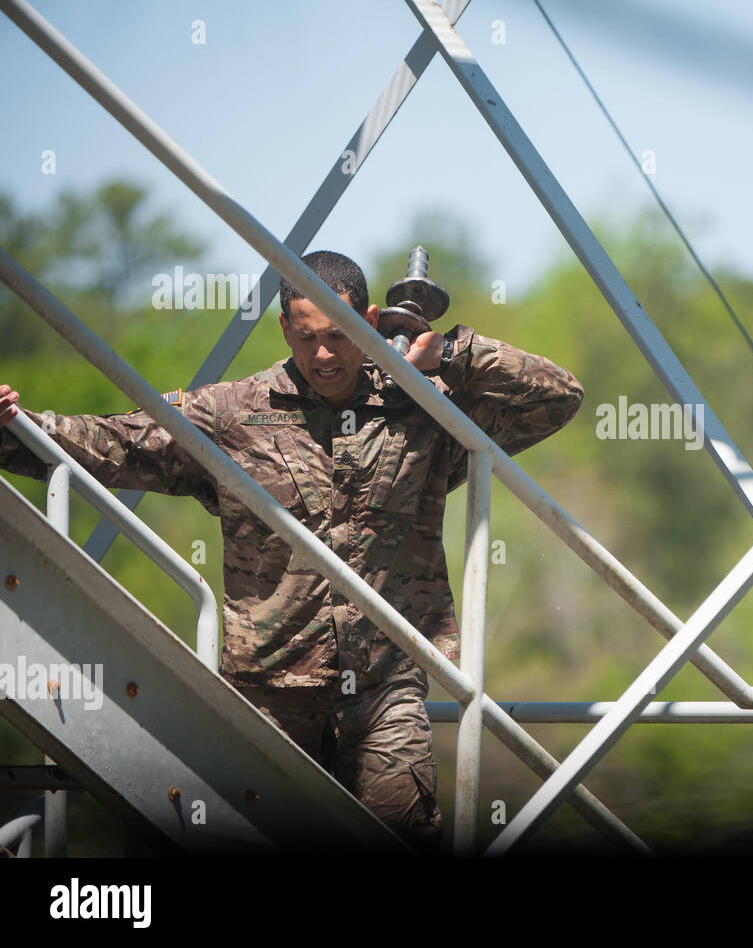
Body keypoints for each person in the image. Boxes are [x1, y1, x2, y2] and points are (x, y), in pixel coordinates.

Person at [0, 250, 584, 853]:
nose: (325, 355)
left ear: (372, 320)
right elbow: (116, 443)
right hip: (268, 692)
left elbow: (558, 397)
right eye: (308, 338)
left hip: (386, 690)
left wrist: (449, 354)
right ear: (284, 329)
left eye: (340, 334)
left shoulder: (425, 408)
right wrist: (12, 430)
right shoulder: (233, 414)